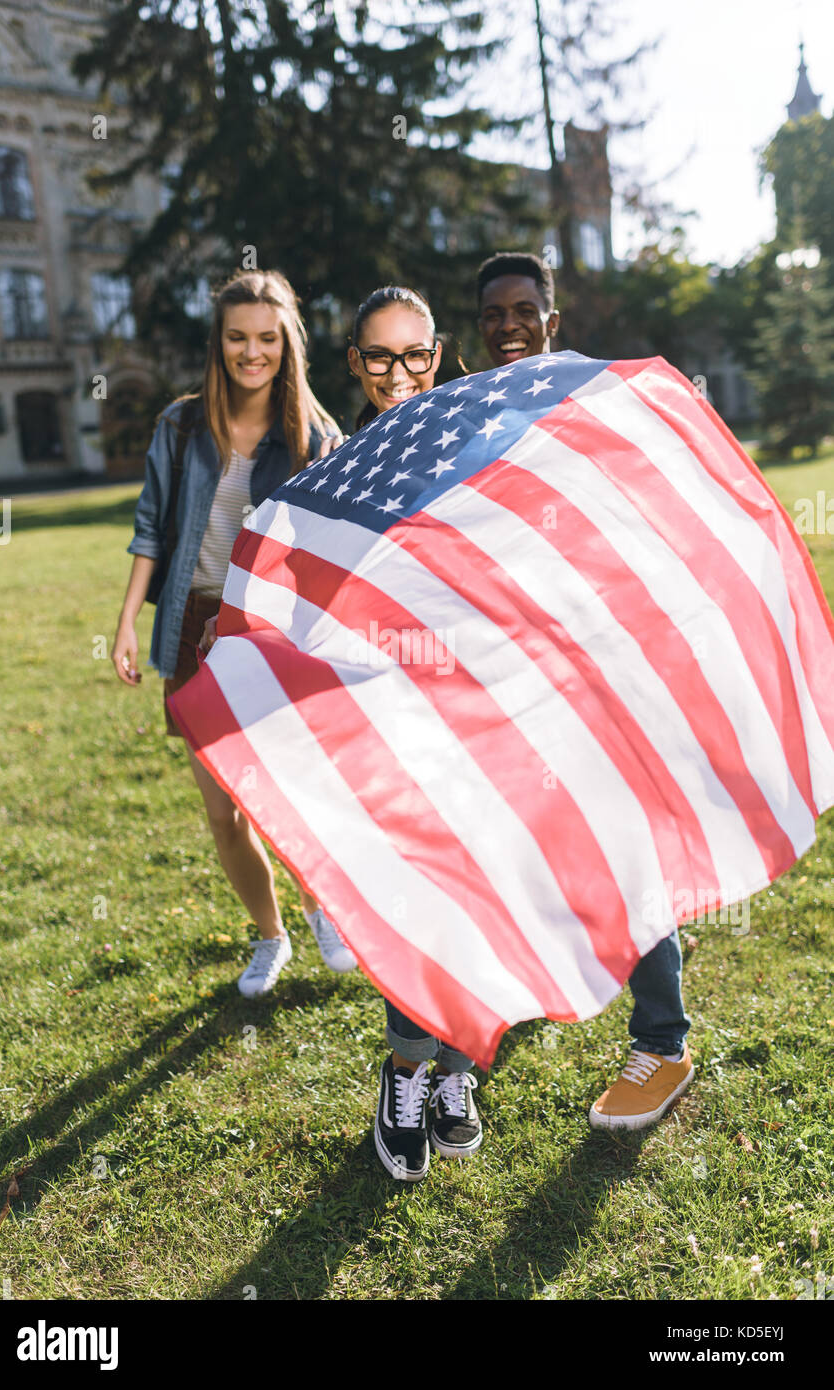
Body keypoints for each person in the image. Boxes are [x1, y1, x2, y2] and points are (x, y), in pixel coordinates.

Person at [477, 251, 694, 1130]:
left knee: (623, 844)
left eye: (522, 309)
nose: (508, 326)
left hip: (599, 663)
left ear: (551, 320)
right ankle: (538, 981)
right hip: (509, 666)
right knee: (529, 837)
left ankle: (663, 1042)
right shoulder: (470, 413)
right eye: (492, 314)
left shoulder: (588, 398)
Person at [112, 269, 356, 998]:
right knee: (223, 811)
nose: (253, 352)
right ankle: (270, 935)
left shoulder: (314, 436)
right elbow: (151, 528)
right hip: (193, 626)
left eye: (267, 338)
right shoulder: (180, 426)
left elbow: (331, 547)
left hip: (268, 630)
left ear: (288, 344)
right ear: (218, 342)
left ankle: (320, 906)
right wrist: (126, 623)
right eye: (237, 337)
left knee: (288, 790)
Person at [346, 286, 483, 1181]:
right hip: (389, 712)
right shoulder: (340, 465)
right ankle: (404, 1072)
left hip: (477, 707)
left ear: (437, 352)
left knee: (474, 896)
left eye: (415, 353)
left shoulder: (478, 436)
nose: (398, 372)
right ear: (355, 362)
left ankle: (456, 1069)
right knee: (414, 901)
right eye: (379, 355)